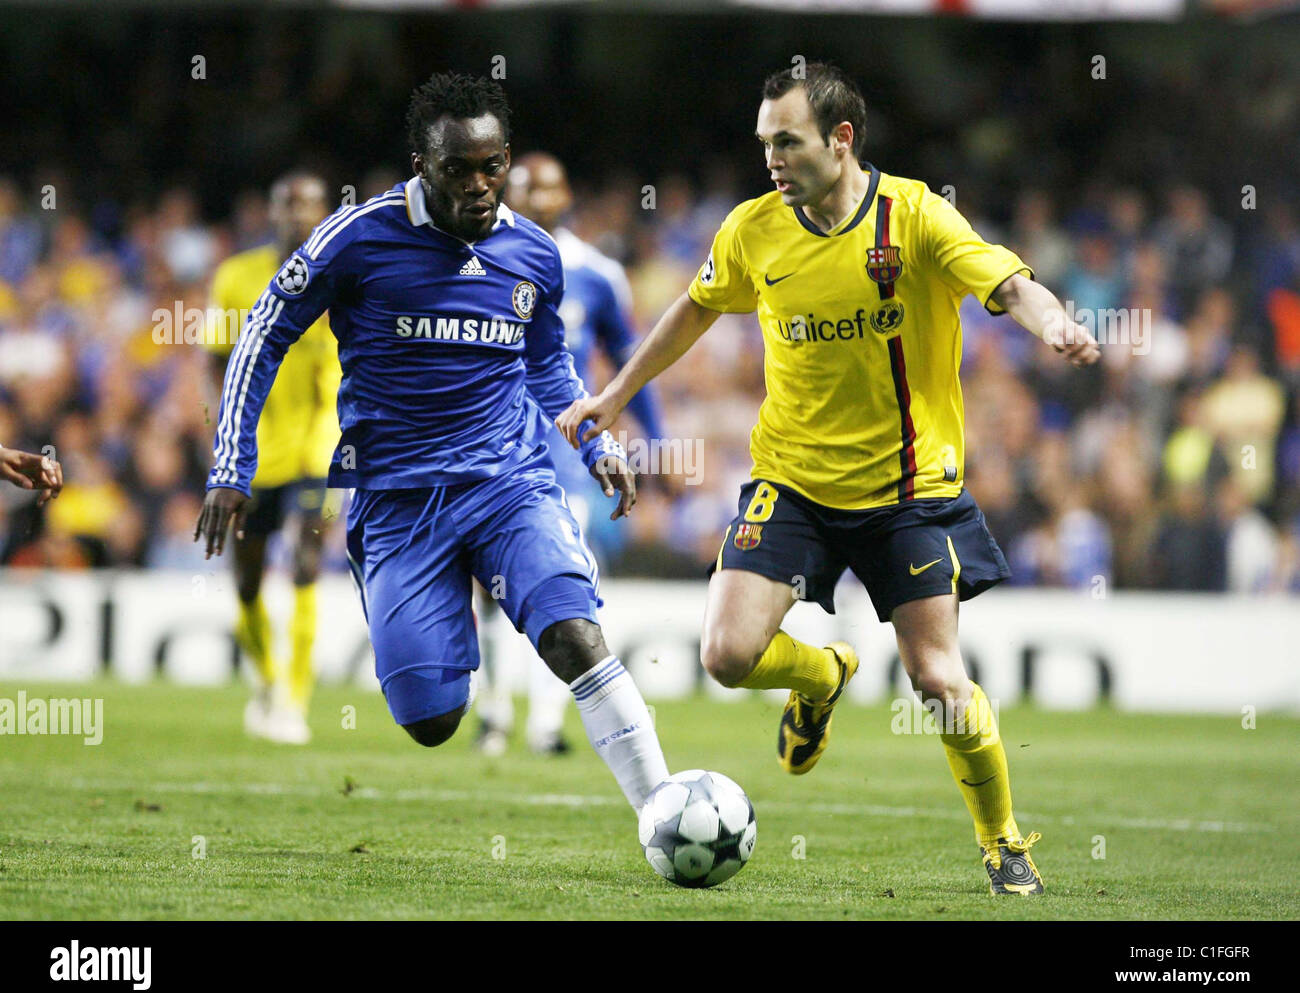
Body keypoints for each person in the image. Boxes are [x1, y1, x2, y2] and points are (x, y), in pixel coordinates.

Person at [560, 62, 1099, 893]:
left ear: (841, 140)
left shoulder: (914, 215)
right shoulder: (753, 230)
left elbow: (1007, 282)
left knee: (937, 680)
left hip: (907, 489)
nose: (771, 158)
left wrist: (1054, 320)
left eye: (788, 142)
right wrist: (615, 394)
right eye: (764, 143)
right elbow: (698, 307)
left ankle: (1003, 842)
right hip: (793, 479)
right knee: (726, 654)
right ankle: (822, 675)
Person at [196, 71, 670, 813]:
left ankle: (661, 809)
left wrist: (593, 443)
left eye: (492, 166)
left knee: (574, 633)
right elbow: (261, 334)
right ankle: (432, 643)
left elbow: (546, 362)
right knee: (430, 719)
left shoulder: (536, 255)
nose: (480, 185)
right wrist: (232, 464)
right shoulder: (357, 237)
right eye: (458, 169)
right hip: (398, 498)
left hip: (509, 482)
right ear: (423, 165)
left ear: (506, 158)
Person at [471, 152, 672, 757]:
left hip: (564, 449)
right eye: (526, 189)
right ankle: (494, 712)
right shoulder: (479, 257)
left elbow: (631, 361)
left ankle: (546, 724)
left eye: (549, 189)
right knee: (488, 588)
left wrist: (657, 444)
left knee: (561, 580)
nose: (537, 199)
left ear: (564, 197)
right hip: (493, 440)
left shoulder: (596, 273)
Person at [204, 171, 340, 745]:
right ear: (271, 210)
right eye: (288, 203)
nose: (298, 214)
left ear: (325, 211)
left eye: (310, 203)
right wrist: (224, 429)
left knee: (307, 568)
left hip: (321, 444)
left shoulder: (343, 273)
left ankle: (295, 700)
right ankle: (266, 679)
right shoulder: (237, 277)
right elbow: (216, 358)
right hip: (254, 453)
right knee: (248, 580)